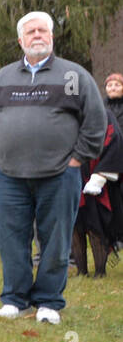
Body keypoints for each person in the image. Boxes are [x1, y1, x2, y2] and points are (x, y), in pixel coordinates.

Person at [0, 11, 107, 325]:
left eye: (43, 30)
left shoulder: (73, 76)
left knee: (56, 239)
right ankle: (15, 299)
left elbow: (95, 122)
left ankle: (49, 302)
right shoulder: (2, 78)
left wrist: (77, 159)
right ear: (20, 40)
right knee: (11, 239)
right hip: (8, 176)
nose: (37, 35)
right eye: (30, 31)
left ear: (51, 37)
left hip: (60, 175)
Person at [72, 103, 122, 276]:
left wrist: (100, 176)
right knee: (74, 224)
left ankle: (100, 271)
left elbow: (114, 139)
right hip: (70, 173)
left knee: (96, 223)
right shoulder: (64, 113)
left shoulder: (104, 113)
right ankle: (81, 271)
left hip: (95, 174)